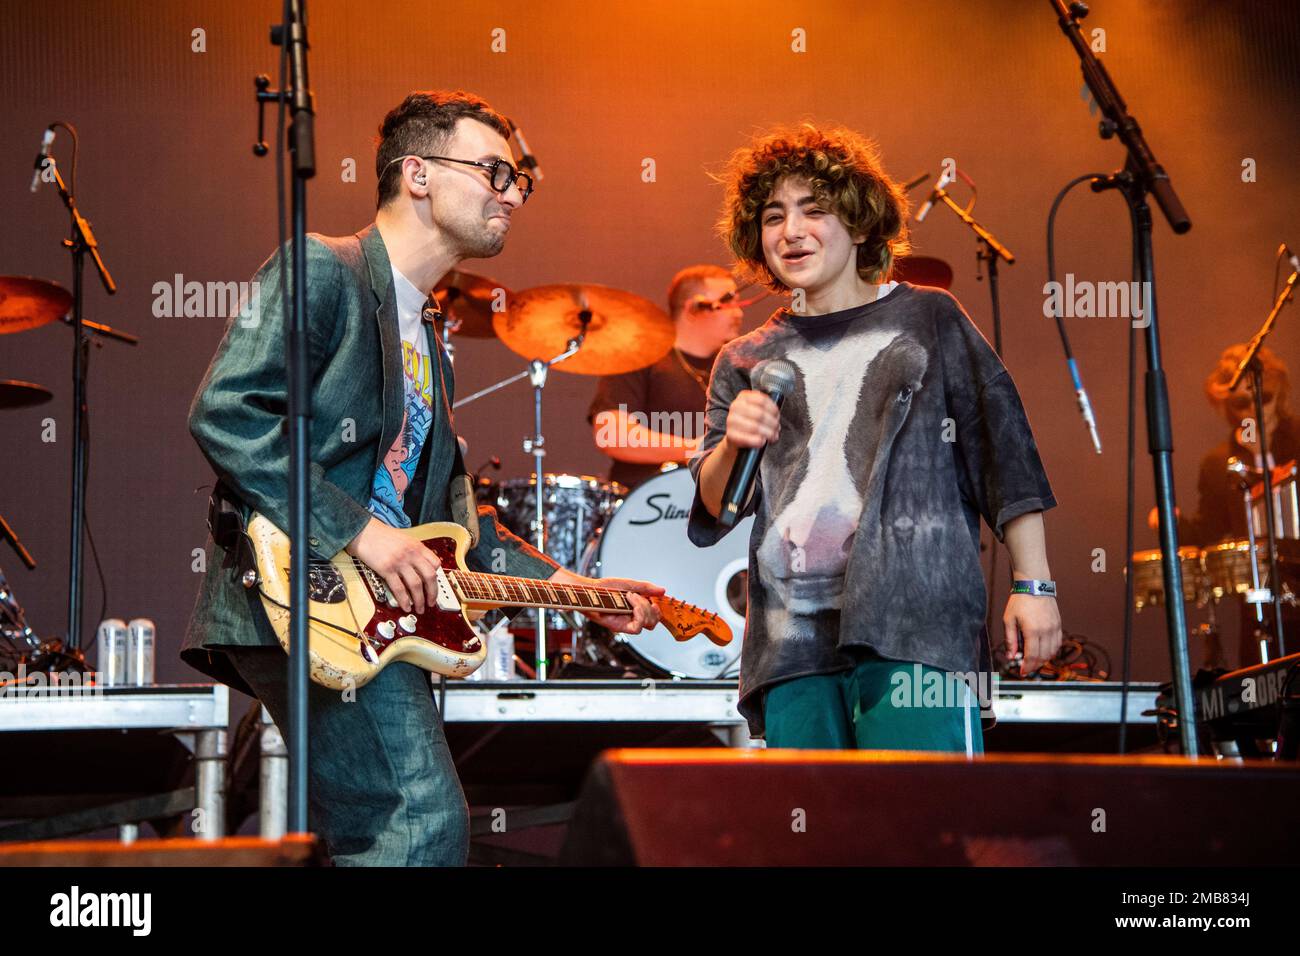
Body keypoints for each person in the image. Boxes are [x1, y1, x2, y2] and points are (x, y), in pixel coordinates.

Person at [182, 90, 661, 865]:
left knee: (385, 830)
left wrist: (574, 588)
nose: (514, 194)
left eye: (520, 180)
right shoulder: (325, 267)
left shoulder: (428, 332)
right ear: (418, 174)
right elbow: (227, 412)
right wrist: (363, 533)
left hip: (369, 611)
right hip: (297, 588)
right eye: (495, 171)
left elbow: (453, 525)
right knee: (418, 822)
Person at [689, 123, 1062, 751]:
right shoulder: (744, 357)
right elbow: (715, 506)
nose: (791, 230)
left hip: (918, 625)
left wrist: (1034, 586)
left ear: (860, 224)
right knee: (810, 813)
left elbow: (1007, 461)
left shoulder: (930, 318)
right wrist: (733, 444)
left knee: (919, 808)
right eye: (774, 216)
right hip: (792, 645)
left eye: (814, 210)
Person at [1154, 344, 1299, 665]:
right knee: (1263, 680)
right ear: (1227, 406)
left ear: (1279, 393)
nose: (1255, 410)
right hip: (1259, 597)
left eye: (1263, 398)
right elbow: (1208, 532)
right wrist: (1171, 523)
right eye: (1242, 403)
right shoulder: (1218, 464)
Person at [589, 265, 744, 489]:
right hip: (645, 500)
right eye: (728, 303)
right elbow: (611, 434)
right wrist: (697, 448)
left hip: (711, 500)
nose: (738, 313)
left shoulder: (736, 368)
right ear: (692, 309)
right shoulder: (639, 357)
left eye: (738, 304)